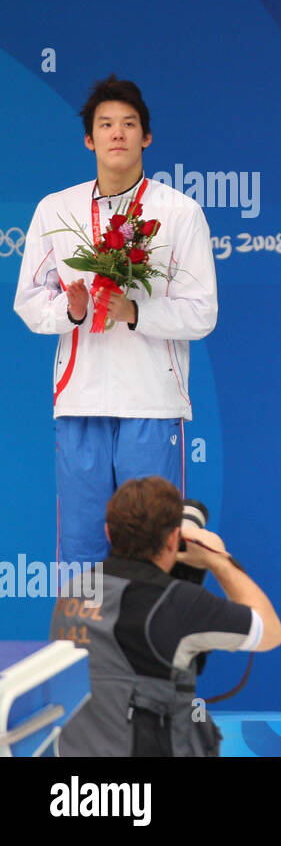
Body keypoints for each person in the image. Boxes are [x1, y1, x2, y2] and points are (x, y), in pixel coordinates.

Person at [14, 75, 218, 566]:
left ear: (146, 136)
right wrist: (72, 309)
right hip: (80, 399)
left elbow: (201, 312)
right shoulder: (55, 210)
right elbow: (28, 302)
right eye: (106, 124)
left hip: (151, 398)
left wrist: (134, 312)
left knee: (152, 544)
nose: (117, 133)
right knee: (83, 545)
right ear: (89, 139)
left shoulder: (179, 213)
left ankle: (149, 642)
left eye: (129, 124)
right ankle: (84, 644)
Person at [50, 476, 281, 756]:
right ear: (173, 538)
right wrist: (216, 560)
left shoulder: (73, 592)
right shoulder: (175, 603)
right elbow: (269, 632)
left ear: (109, 534)